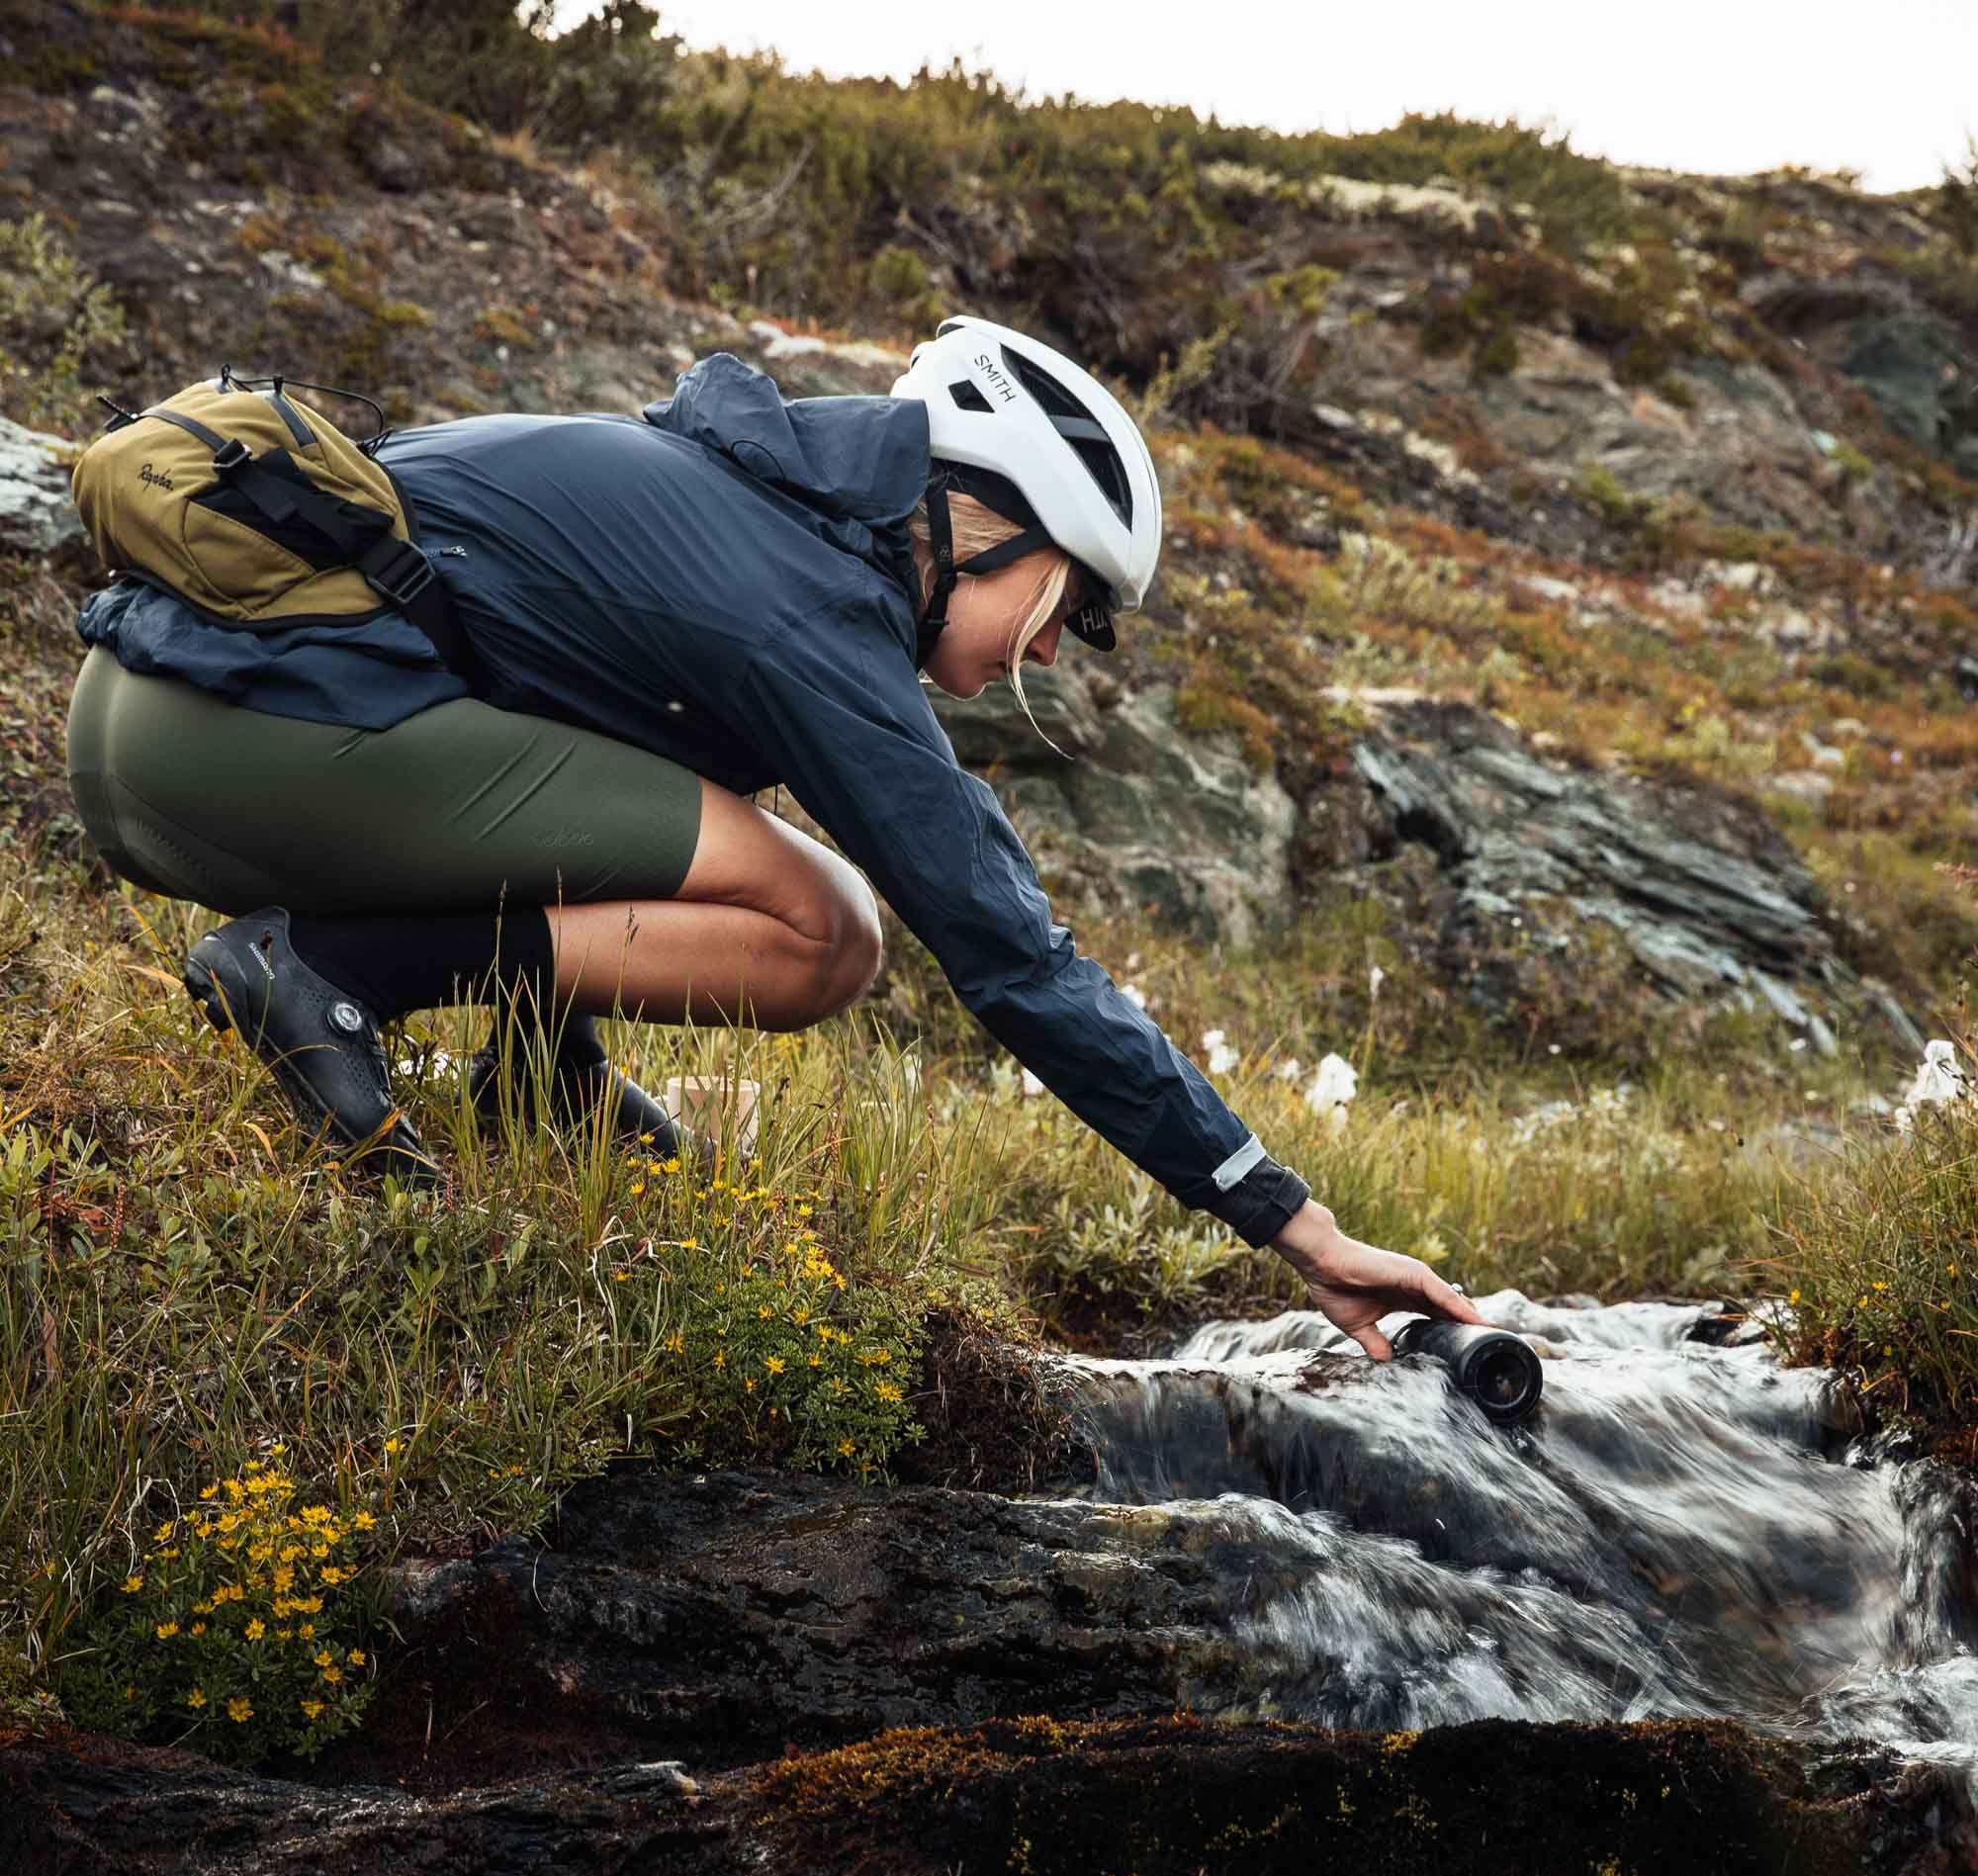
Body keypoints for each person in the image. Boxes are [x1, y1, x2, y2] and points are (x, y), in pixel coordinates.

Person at [63, 313, 1485, 1359]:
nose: (1061, 655)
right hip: (235, 749)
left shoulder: (736, 501)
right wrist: (1294, 1227)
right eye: (1074, 606)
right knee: (826, 930)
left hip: (152, 724)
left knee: (706, 822)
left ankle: (534, 1086)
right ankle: (326, 971)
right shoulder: (799, 605)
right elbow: (1010, 958)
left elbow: (563, 741)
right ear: (978, 525)